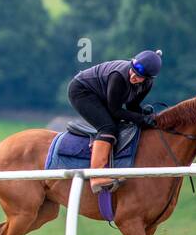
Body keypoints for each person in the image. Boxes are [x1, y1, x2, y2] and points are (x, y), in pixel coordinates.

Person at [66, 50, 162, 192]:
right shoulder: (119, 76)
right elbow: (115, 110)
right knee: (108, 128)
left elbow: (131, 106)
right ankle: (96, 176)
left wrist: (145, 116)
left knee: (126, 124)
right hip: (81, 91)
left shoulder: (147, 84)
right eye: (133, 70)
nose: (133, 76)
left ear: (148, 79)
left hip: (101, 96)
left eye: (139, 76)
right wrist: (141, 119)